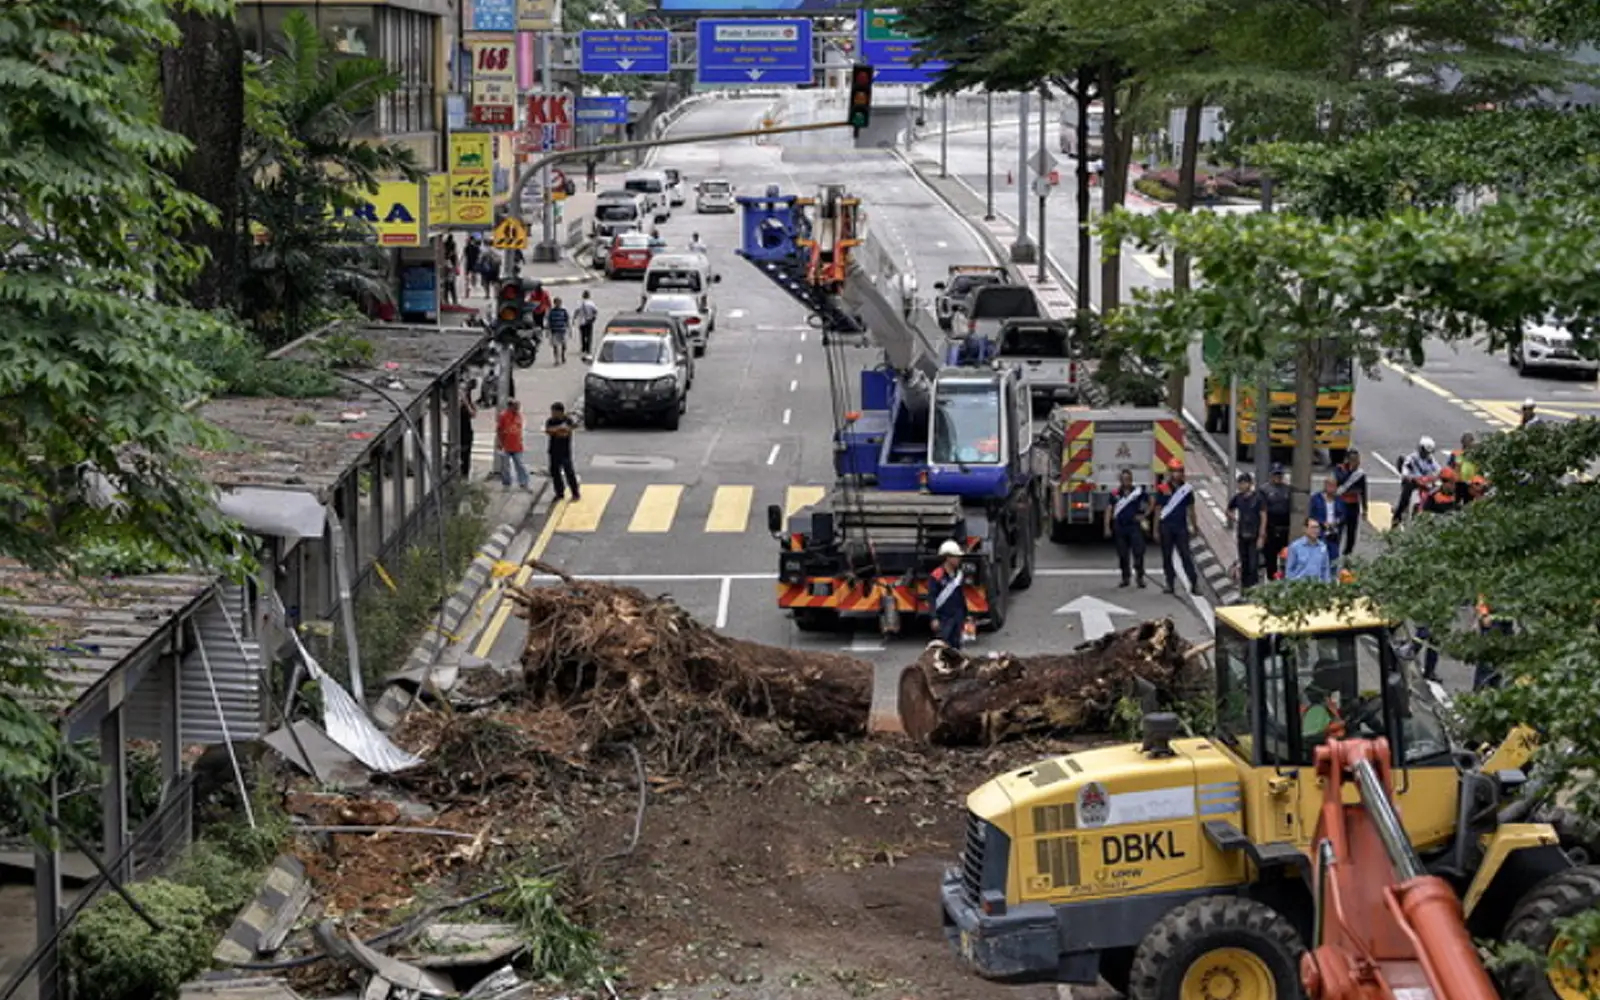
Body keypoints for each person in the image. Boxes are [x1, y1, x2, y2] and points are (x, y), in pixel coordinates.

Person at [1155, 461, 1200, 596]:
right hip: (1166, 527)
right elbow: (1158, 509)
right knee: (1167, 557)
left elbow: (1191, 510)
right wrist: (1155, 529)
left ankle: (1194, 583)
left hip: (1181, 527)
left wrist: (1194, 526)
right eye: (1174, 471)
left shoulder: (1186, 490)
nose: (1177, 474)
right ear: (1169, 472)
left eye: (1180, 471)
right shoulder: (1162, 488)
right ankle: (1170, 583)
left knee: (1186, 556)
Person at [1103, 468, 1150, 589]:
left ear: (1131, 479)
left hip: (1134, 526)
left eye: (1128, 479)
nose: (1126, 481)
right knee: (1122, 554)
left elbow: (1151, 501)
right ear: (1120, 480)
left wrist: (1144, 515)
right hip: (1120, 527)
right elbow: (1109, 510)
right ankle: (1125, 577)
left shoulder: (1138, 492)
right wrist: (1107, 527)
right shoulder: (1114, 494)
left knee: (1138, 552)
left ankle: (1140, 577)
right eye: (1124, 479)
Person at [1225, 472, 1266, 590]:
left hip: (1254, 535)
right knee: (1244, 562)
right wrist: (1236, 519)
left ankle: (1253, 587)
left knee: (1254, 564)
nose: (1241, 486)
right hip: (1242, 535)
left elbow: (1263, 516)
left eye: (1244, 483)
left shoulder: (1258, 498)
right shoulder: (1238, 498)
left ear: (1250, 484)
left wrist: (1261, 536)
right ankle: (1244, 588)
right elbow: (1228, 510)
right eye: (1240, 483)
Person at [927, 540, 969, 648]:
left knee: (957, 647)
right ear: (948, 557)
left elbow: (960, 595)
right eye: (956, 556)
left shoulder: (958, 574)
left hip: (957, 616)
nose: (959, 559)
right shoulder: (936, 576)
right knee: (944, 647)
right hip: (944, 617)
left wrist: (966, 615)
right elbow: (931, 598)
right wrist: (933, 618)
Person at [1396, 435, 1439, 525]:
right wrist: (1408, 476)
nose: (1425, 454)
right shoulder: (1412, 458)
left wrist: (1437, 477)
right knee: (1405, 497)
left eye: (1427, 452)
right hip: (1413, 483)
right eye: (1424, 451)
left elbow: (1438, 469)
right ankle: (1397, 517)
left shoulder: (1431, 460)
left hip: (1425, 484)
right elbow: (1405, 469)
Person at [1261, 464, 1292, 579]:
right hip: (1270, 528)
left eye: (1280, 474)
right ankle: (1271, 581)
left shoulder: (1288, 489)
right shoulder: (1264, 490)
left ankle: (1284, 579)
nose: (1278, 477)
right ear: (1271, 475)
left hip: (1285, 528)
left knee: (1286, 557)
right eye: (1275, 474)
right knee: (1270, 559)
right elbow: (1262, 511)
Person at [545, 401, 581, 501]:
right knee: (555, 473)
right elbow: (548, 431)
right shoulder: (550, 421)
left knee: (569, 472)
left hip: (565, 452)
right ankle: (559, 493)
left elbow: (569, 429)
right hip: (553, 451)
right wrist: (559, 428)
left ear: (560, 412)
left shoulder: (567, 420)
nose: (552, 414)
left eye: (554, 412)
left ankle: (575, 493)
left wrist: (562, 430)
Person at [1334, 450, 1367, 555]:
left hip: (1353, 505)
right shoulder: (1339, 469)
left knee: (1351, 533)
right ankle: (1334, 554)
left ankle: (1347, 554)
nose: (1357, 462)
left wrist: (1365, 508)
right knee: (1338, 531)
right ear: (1348, 460)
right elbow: (1339, 482)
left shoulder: (1360, 474)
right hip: (1341, 505)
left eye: (1358, 460)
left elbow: (1363, 490)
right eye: (1354, 460)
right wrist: (1350, 471)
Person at [1308, 474, 1345, 563]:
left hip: (1333, 535)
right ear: (1325, 485)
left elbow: (1343, 516)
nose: (1332, 488)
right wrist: (1322, 523)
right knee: (1318, 560)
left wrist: (1336, 522)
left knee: (1333, 561)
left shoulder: (1339, 500)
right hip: (1320, 534)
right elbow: (1311, 515)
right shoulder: (1316, 499)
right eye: (1330, 485)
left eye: (1334, 486)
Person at [1283, 517, 1333, 582]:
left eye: (1317, 527)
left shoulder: (1323, 547)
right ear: (1305, 529)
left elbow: (1325, 570)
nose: (1316, 530)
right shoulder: (1295, 547)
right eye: (1313, 528)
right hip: (1299, 586)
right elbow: (1289, 571)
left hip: (1318, 587)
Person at [496, 398, 529, 490]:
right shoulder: (503, 416)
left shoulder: (518, 416)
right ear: (510, 407)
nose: (517, 409)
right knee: (505, 466)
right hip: (506, 444)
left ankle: (523, 482)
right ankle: (506, 483)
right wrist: (499, 442)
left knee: (520, 464)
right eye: (515, 407)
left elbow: (519, 429)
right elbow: (499, 430)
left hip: (517, 445)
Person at [457, 385, 477, 478]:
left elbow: (473, 414)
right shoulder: (455, 407)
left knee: (465, 457)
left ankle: (464, 475)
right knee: (456, 456)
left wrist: (467, 403)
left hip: (466, 434)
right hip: (457, 435)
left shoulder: (468, 407)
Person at [546, 297, 571, 365]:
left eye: (559, 303)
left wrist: (569, 330)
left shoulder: (563, 311)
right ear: (554, 303)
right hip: (554, 331)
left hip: (562, 330)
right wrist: (547, 331)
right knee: (555, 346)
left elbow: (567, 320)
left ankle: (563, 355)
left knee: (564, 345)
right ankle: (556, 360)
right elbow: (549, 321)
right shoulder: (551, 311)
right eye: (556, 303)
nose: (558, 304)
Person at [576, 290, 599, 361]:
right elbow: (595, 311)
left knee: (582, 335)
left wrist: (574, 318)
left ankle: (583, 347)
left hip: (581, 321)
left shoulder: (580, 303)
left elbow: (577, 311)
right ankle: (588, 349)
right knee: (589, 335)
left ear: (583, 296)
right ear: (589, 296)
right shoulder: (591, 303)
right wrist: (593, 318)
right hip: (589, 321)